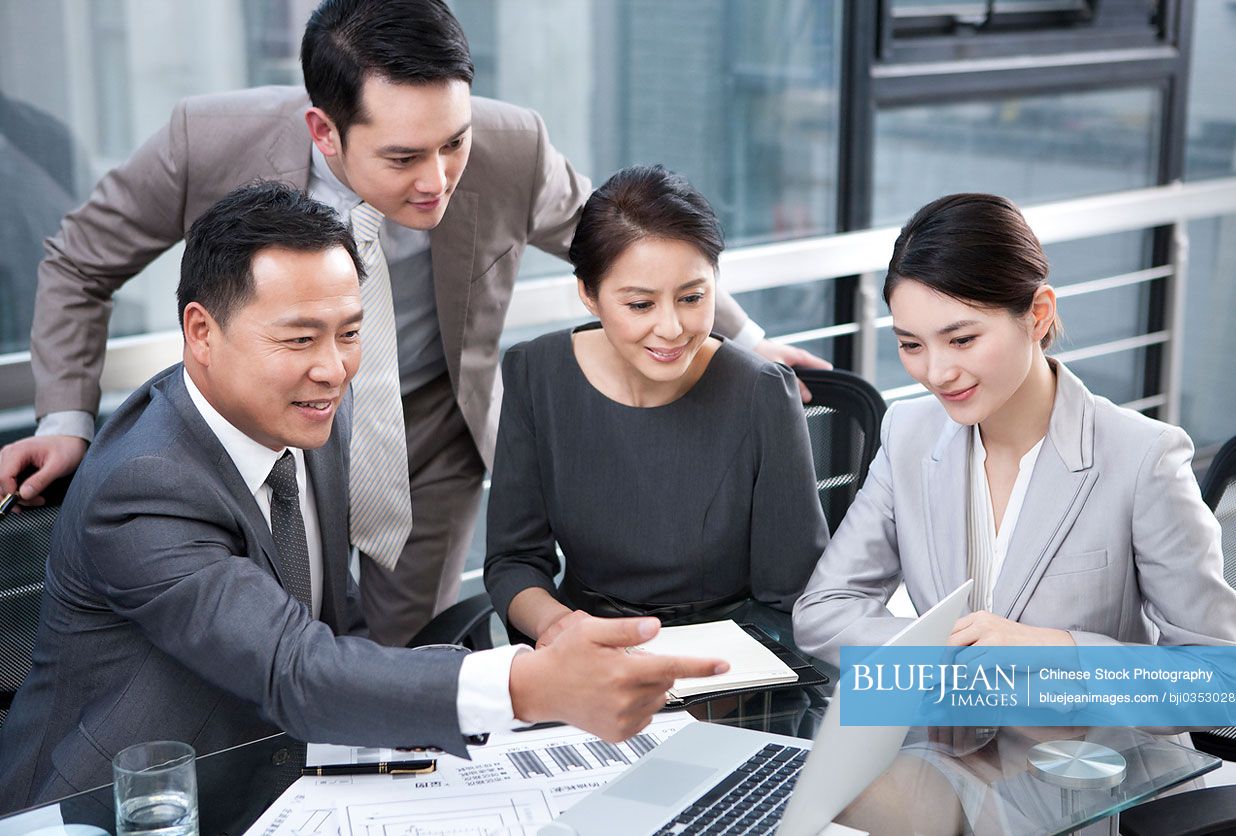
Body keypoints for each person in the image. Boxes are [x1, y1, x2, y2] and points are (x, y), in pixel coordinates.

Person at [0, 0, 828, 648]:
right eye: (403, 158)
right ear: (324, 130)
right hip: (267, 438)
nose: (438, 180)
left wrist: (743, 340)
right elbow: (79, 259)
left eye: (453, 144)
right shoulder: (206, 140)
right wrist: (66, 419)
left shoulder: (511, 145)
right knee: (271, 650)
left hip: (424, 437)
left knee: (390, 664)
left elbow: (633, 250)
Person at [0, 182, 727, 813]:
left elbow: (328, 620)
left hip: (279, 771)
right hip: (117, 805)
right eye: (298, 338)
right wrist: (528, 683)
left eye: (350, 332)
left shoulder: (316, 411)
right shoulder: (144, 484)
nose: (333, 368)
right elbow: (291, 664)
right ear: (201, 332)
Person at [792, 192, 1236, 659]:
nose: (937, 372)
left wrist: (1054, 650)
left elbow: (1218, 676)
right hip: (943, 731)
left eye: (962, 339)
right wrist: (944, 650)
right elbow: (823, 612)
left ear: (1038, 314)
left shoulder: (1142, 457)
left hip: (1085, 734)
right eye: (911, 345)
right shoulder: (908, 432)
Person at [484, 165, 828, 645]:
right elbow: (514, 562)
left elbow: (789, 595)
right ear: (589, 293)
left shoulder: (761, 391)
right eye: (641, 305)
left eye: (692, 297)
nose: (671, 328)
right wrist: (559, 626)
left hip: (728, 656)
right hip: (587, 649)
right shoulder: (536, 372)